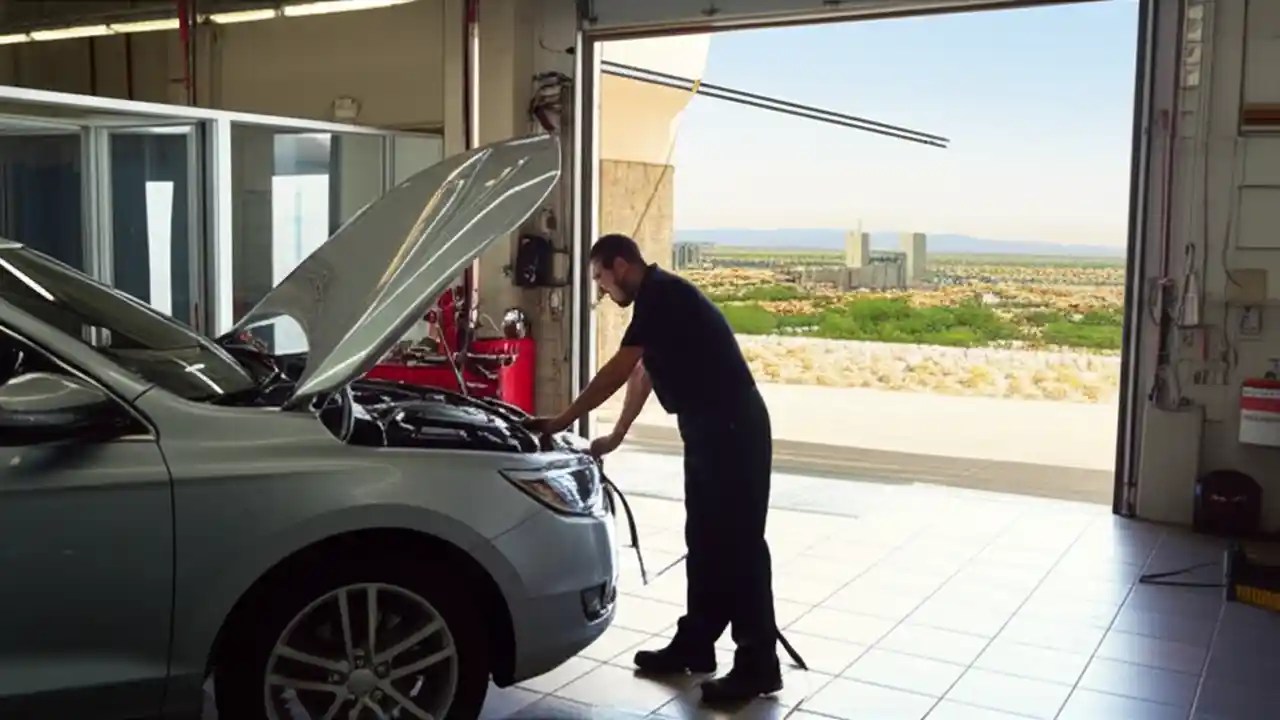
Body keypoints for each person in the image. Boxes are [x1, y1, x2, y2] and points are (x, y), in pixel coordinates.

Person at [523, 233, 782, 704]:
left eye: (600, 278)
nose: (602, 291)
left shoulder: (662, 296)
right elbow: (643, 371)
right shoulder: (655, 302)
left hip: (732, 427)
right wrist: (616, 435)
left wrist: (560, 420)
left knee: (740, 546)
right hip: (707, 427)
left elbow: (618, 370)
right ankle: (695, 644)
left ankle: (758, 664)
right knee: (702, 540)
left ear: (620, 265)